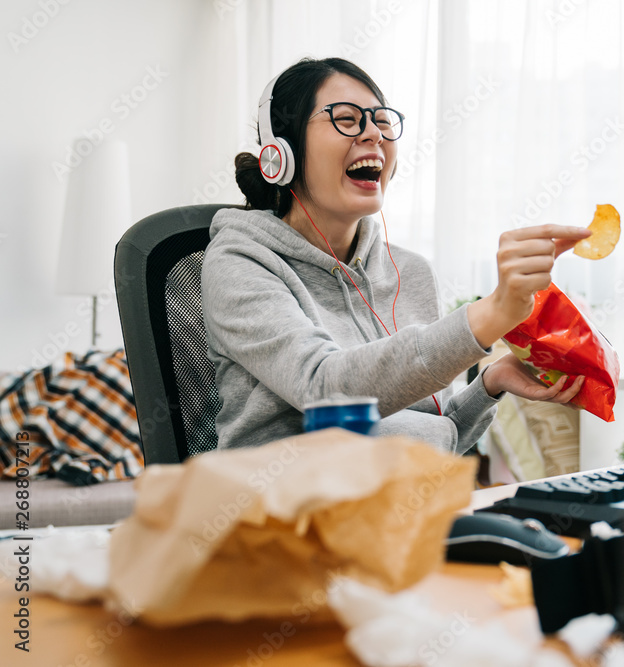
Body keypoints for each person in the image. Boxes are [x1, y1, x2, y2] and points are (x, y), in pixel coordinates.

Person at [202, 57, 590, 453]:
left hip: (403, 502)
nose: (373, 134)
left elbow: (438, 436)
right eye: (347, 120)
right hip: (289, 508)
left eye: (382, 120)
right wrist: (490, 314)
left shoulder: (410, 272)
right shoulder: (240, 263)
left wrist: (489, 385)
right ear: (281, 154)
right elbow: (324, 389)